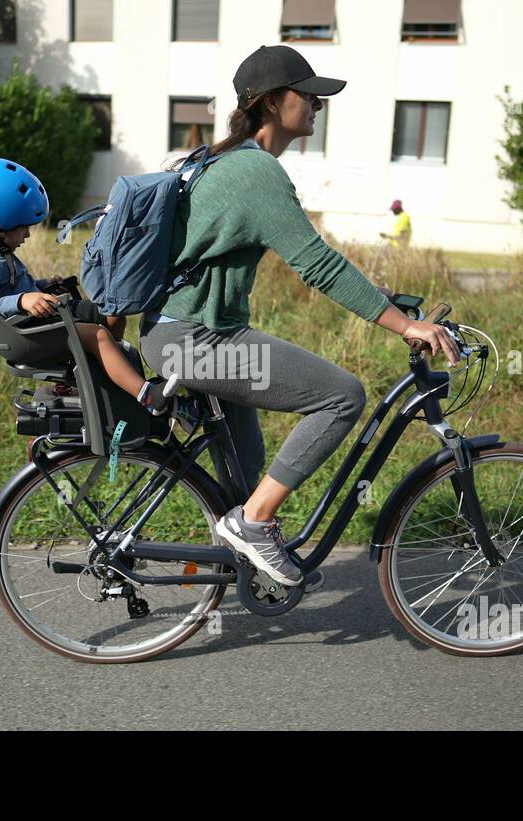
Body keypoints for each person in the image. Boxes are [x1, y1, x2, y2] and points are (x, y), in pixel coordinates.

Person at [137, 45, 460, 587]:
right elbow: (318, 265)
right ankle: (255, 524)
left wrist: (385, 299)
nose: (317, 105)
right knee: (340, 396)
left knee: (249, 465)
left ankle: (240, 550)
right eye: (307, 95)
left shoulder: (228, 162)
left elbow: (308, 257)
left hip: (183, 334)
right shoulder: (254, 172)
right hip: (191, 341)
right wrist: (405, 327)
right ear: (270, 103)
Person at [0, 158, 196, 426]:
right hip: (23, 335)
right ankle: (147, 397)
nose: (27, 234)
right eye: (22, 226)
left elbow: (17, 286)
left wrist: (42, 285)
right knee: (98, 336)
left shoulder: (1, 250)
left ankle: (106, 377)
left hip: (40, 321)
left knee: (113, 312)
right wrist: (24, 300)